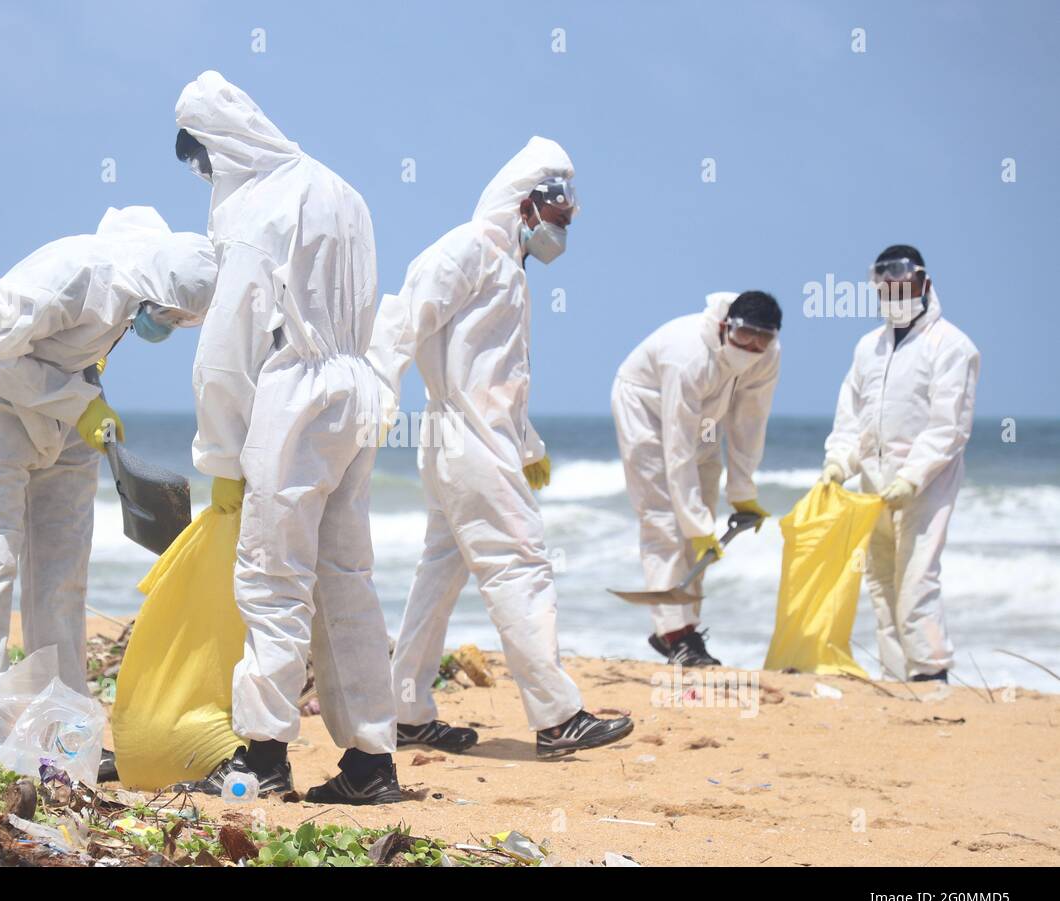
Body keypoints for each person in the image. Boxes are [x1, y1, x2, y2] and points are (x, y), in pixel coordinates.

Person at [172, 71, 403, 804]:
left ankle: (262, 759)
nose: (203, 176)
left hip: (294, 396)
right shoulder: (343, 191)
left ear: (217, 146)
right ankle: (372, 761)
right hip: (356, 386)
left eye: (199, 160)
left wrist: (220, 456)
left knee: (272, 583)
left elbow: (226, 352)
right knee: (345, 582)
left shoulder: (254, 208)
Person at [368, 137, 634, 758]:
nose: (562, 232)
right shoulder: (467, 249)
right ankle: (558, 716)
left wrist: (529, 442)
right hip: (467, 443)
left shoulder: (508, 268)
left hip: (472, 442)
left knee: (439, 575)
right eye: (558, 217)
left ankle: (405, 711)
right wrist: (379, 400)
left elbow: (500, 379)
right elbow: (401, 321)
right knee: (521, 563)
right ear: (526, 203)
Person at [0, 206, 217, 780]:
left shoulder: (149, 272)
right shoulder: (70, 275)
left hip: (68, 406)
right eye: (167, 315)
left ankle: (63, 735)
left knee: (62, 574)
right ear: (152, 289)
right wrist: (77, 405)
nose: (166, 325)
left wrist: (82, 404)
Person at [822, 245, 979, 683]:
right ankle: (896, 676)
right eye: (886, 289)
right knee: (881, 582)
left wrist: (911, 479)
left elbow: (949, 426)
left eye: (904, 287)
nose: (896, 296)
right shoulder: (867, 347)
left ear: (924, 285)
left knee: (915, 580)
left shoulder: (952, 347)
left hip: (925, 487)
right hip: (873, 485)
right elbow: (853, 417)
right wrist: (839, 462)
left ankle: (930, 671)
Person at [611, 291, 782, 667]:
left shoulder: (767, 357)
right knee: (664, 521)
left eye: (762, 338)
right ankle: (676, 637)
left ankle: (685, 630)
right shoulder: (687, 354)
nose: (752, 347)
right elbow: (676, 448)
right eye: (745, 335)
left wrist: (742, 492)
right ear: (725, 327)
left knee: (702, 513)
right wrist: (694, 523)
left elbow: (750, 422)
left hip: (706, 416)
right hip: (648, 408)